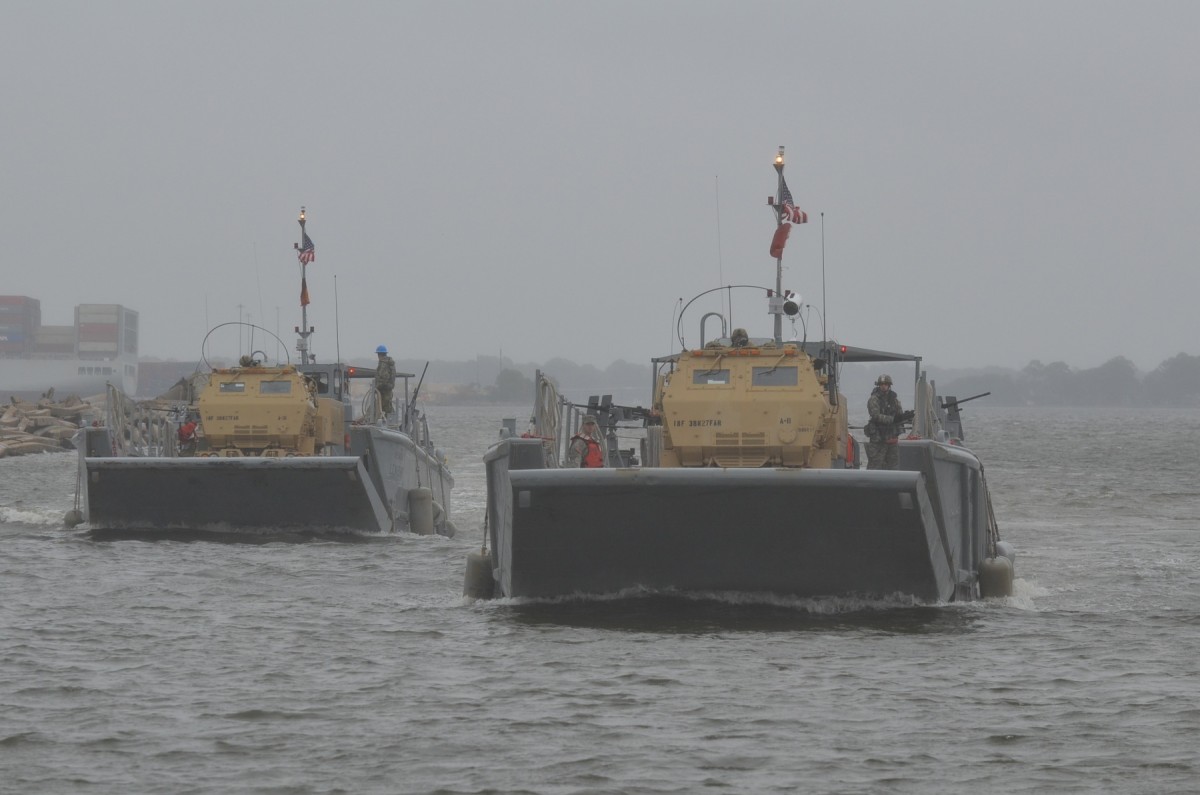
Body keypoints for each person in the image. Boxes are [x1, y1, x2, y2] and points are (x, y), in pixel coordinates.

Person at [865, 374, 912, 470]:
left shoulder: (894, 400)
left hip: (891, 436)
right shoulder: (874, 399)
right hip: (878, 437)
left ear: (889, 385)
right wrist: (892, 419)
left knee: (893, 465)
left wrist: (905, 417)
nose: (883, 386)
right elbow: (875, 415)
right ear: (878, 385)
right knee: (875, 464)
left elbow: (898, 415)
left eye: (886, 384)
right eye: (881, 384)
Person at [374, 345, 396, 416]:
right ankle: (390, 420)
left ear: (379, 354)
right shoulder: (390, 364)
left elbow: (383, 378)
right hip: (388, 389)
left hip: (383, 390)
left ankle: (385, 422)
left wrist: (376, 387)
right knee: (388, 407)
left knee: (384, 408)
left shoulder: (383, 364)